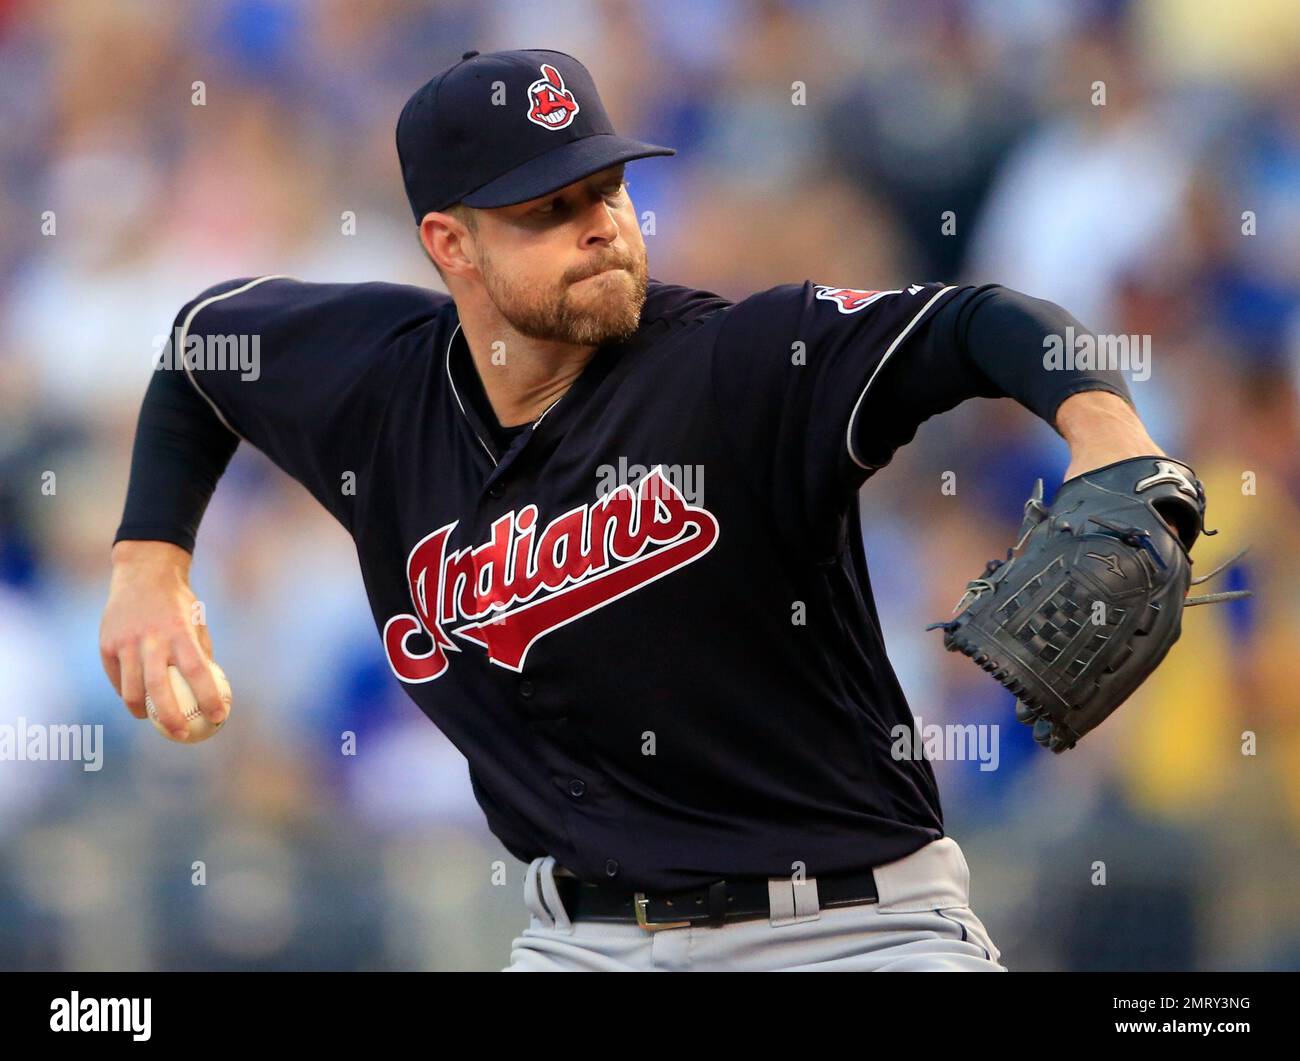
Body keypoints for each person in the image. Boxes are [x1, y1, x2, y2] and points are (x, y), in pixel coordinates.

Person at [101, 49, 1169, 971]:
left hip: (852, 928)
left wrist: (1107, 433)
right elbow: (204, 345)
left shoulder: (738, 364)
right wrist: (149, 557)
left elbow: (973, 323)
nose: (598, 227)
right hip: (584, 940)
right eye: (546, 209)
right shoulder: (374, 387)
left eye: (604, 188)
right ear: (449, 244)